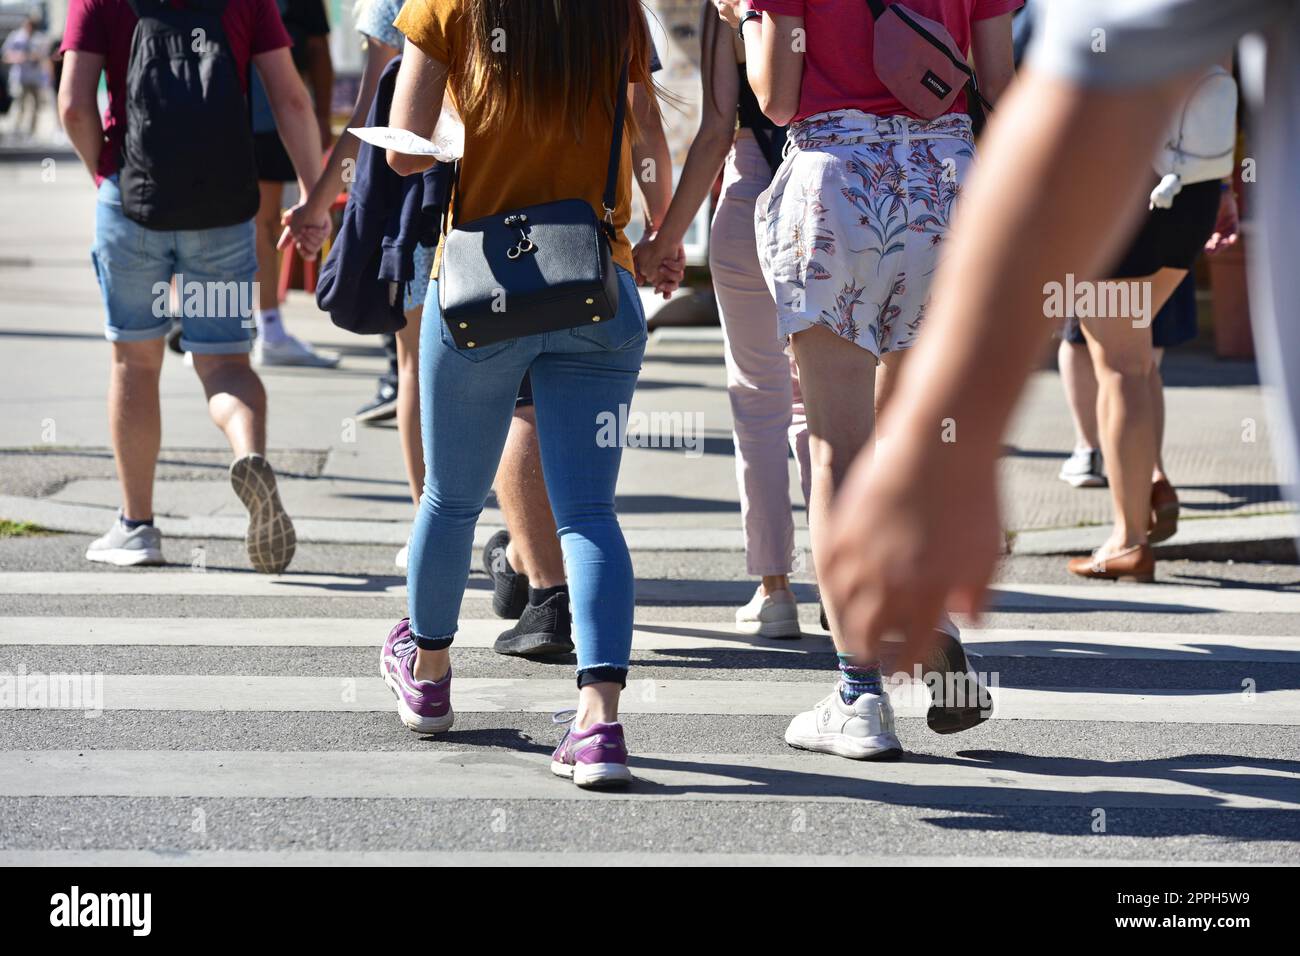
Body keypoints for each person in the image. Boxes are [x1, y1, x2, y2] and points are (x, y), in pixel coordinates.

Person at [823, 0, 1300, 671]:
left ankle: (1129, 533)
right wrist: (1222, 178)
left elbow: (1093, 90)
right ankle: (1138, 508)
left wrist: (947, 440)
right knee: (1136, 361)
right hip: (1192, 179)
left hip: (1134, 181)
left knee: (1123, 362)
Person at [377, 0, 677, 788]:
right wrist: (660, 236)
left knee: (448, 498)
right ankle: (600, 723)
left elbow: (405, 153)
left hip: (483, 285)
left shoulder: (447, 8)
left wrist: (466, 119)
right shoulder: (617, 12)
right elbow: (651, 144)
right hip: (596, 281)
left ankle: (431, 676)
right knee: (589, 512)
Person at [718, 0, 1018, 760]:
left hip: (835, 184)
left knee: (838, 451)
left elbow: (777, 96)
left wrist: (743, 19)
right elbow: (1004, 88)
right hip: (948, 186)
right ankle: (936, 629)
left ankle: (858, 696)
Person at [59, 0, 328, 573]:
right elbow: (291, 97)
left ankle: (137, 528)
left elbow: (73, 105)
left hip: (132, 202)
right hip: (223, 213)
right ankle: (249, 454)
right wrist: (312, 198)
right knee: (226, 364)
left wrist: (105, 177)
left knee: (136, 362)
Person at [636, 1, 812, 639]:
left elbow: (715, 130)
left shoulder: (731, 8)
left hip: (750, 200)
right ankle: (852, 579)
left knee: (758, 401)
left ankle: (775, 589)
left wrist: (665, 239)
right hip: (835, 200)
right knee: (824, 408)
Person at [247, 0, 339, 368]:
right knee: (255, 224)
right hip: (241, 117)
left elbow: (318, 53)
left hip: (265, 119)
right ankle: (251, 328)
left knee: (259, 224)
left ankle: (258, 326)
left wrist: (320, 117)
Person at [3, 15, 47, 138]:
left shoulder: (39, 39)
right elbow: (6, 55)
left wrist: (35, 57)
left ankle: (31, 132)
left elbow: (44, 57)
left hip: (35, 77)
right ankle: (15, 130)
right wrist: (19, 57)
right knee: (19, 104)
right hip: (20, 76)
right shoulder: (16, 37)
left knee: (35, 106)